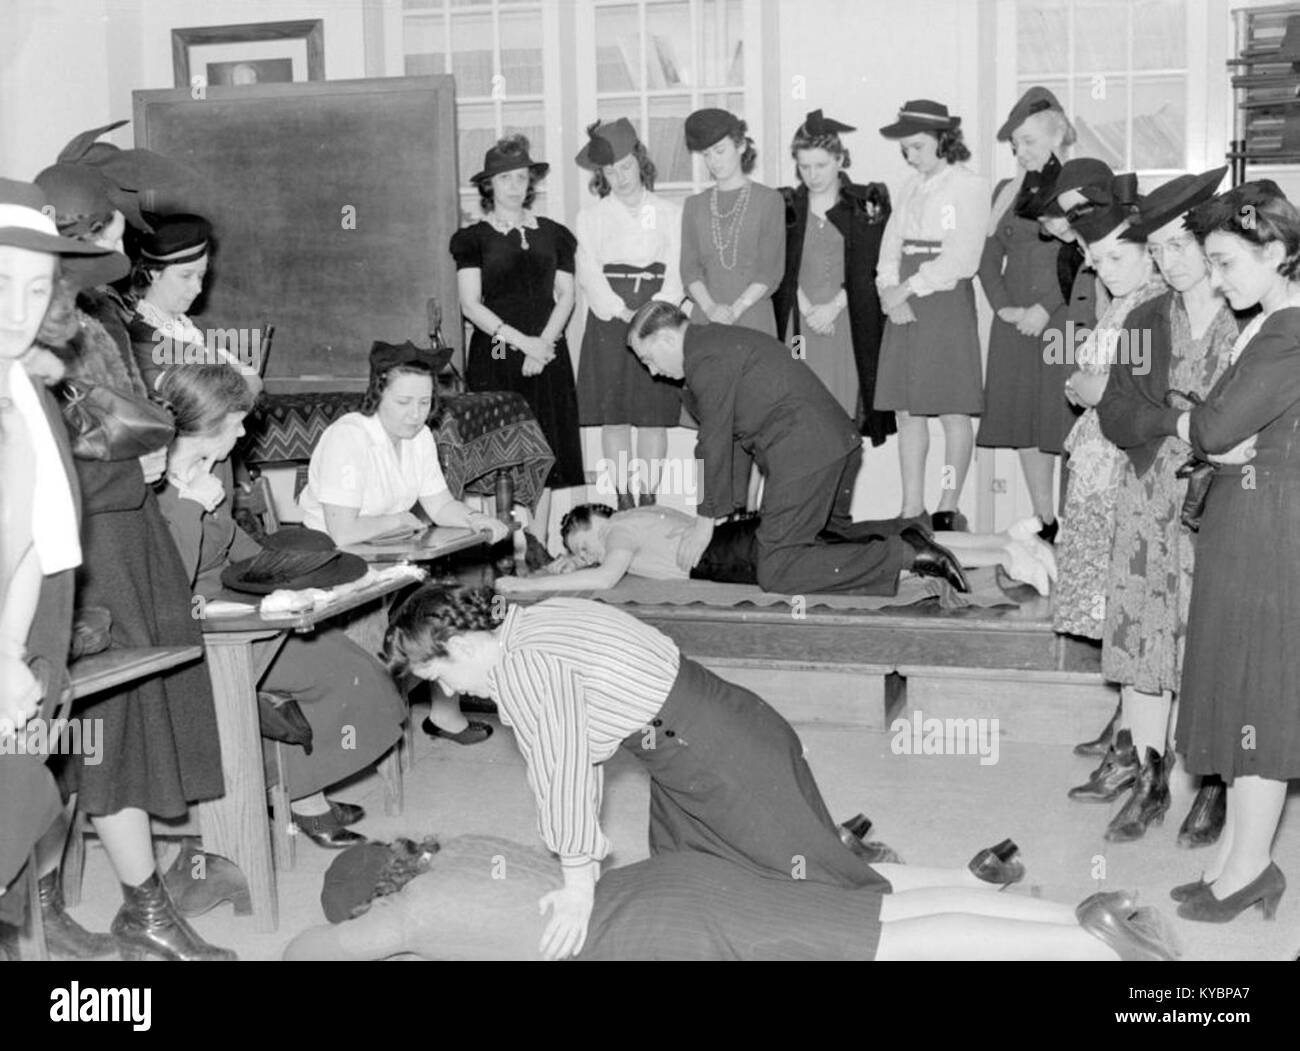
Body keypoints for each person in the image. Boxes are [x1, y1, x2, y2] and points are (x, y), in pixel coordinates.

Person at [381, 586, 1137, 961]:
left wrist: (578, 883)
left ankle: (1080, 938)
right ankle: (982, 883)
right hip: (707, 736)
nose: (447, 694)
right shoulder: (536, 616)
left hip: (714, 757)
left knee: (835, 916)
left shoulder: (522, 669)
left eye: (435, 674)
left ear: (457, 643)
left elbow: (565, 777)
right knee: (749, 888)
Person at [0, 177, 235, 962]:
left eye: (39, 287)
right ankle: (53, 910)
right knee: (81, 742)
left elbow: (42, 523)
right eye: (103, 231)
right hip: (105, 550)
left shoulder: (56, 351)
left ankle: (112, 908)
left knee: (92, 739)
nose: (117, 247)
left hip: (104, 559)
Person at [155, 363, 407, 851]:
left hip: (234, 605)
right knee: (337, 674)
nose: (244, 431)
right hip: (195, 628)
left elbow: (233, 548)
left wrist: (297, 574)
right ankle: (299, 797)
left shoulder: (212, 467)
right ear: (210, 426)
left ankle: (297, 785)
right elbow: (169, 582)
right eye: (236, 422)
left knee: (354, 663)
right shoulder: (154, 480)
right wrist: (189, 506)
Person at [284, 832, 1179, 962]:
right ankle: (1083, 918)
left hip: (668, 921)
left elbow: (304, 957)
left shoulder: (417, 909)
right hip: (668, 879)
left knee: (880, 948)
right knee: (873, 915)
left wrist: (361, 933)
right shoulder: (467, 849)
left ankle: (1093, 946)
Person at [1072, 168, 1238, 847]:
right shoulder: (1144, 318)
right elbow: (1114, 410)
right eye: (1159, 249)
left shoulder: (1246, 319)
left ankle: (1214, 783)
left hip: (1218, 506)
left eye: (1181, 245)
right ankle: (1148, 778)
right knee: (1144, 646)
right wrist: (1171, 425)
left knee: (1208, 644)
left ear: (1209, 242)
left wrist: (1198, 429)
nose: (1170, 261)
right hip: (1144, 499)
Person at [626, 300, 969, 596]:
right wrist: (736, 509)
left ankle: (909, 554)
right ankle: (911, 535)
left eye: (648, 359)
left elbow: (712, 444)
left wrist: (703, 525)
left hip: (805, 451)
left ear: (668, 338)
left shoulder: (704, 358)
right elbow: (733, 442)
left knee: (777, 569)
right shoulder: (715, 343)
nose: (652, 371)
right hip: (833, 443)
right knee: (831, 536)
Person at [1168, 180, 1300, 922]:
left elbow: (1212, 428)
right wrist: (1209, 427)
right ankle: (1232, 860)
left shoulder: (1289, 330)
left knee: (1261, 693)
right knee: (1244, 684)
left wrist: (1198, 427)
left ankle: (1249, 867)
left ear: (1276, 253)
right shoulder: (1269, 326)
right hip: (1249, 517)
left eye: (1225, 264)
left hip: (1270, 526)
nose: (1216, 282)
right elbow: (1216, 424)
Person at [298, 338, 508, 744]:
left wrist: (477, 519)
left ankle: (445, 714)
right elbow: (343, 531)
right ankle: (366, 729)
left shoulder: (420, 438)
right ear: (378, 393)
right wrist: (397, 518)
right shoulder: (349, 437)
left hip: (387, 555)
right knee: (409, 608)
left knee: (443, 601)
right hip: (330, 560)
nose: (416, 415)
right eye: (404, 402)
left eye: (425, 403)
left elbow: (442, 503)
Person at [450, 135, 583, 549]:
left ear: (531, 183)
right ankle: (504, 545)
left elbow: (567, 296)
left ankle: (538, 544)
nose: (514, 185)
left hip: (548, 353)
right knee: (501, 452)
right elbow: (470, 304)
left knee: (544, 447)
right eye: (504, 178)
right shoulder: (473, 238)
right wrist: (522, 343)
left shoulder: (555, 234)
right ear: (489, 185)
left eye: (521, 177)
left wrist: (543, 343)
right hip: (497, 353)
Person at [494, 502, 1056, 598]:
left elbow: (603, 580)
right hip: (746, 530)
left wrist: (529, 583)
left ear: (599, 521)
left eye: (584, 542)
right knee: (872, 536)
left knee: (872, 553)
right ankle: (1004, 544)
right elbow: (595, 567)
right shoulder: (647, 515)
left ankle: (1003, 549)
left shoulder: (618, 528)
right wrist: (563, 561)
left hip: (731, 553)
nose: (590, 553)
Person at [1051, 175, 1167, 640]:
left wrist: (1085, 384)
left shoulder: (1149, 304)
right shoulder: (1120, 303)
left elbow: (1120, 386)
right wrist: (1082, 384)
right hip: (1096, 457)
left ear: (1148, 254)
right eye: (1098, 261)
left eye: (1118, 258)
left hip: (1118, 461)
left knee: (1116, 606)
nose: (1107, 270)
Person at [874, 100, 989, 531]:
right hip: (903, 302)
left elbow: (962, 258)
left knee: (951, 411)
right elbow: (890, 248)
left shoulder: (967, 186)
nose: (911, 156)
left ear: (944, 140)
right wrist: (889, 291)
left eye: (918, 147)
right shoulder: (909, 186)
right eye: (905, 149)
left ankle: (946, 504)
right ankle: (910, 507)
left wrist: (908, 287)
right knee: (908, 411)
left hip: (942, 303)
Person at [977, 88, 1077, 540]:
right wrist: (1005, 310)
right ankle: (1047, 523)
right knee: (1026, 424)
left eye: (1028, 141)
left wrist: (1044, 308)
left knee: (1063, 423)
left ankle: (1075, 523)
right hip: (1015, 325)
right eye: (1015, 144)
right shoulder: (1006, 191)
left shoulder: (1081, 185)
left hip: (1063, 321)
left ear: (1057, 136)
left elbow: (1084, 261)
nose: (1020, 152)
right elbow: (987, 258)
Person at [572, 118, 684, 509]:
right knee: (614, 416)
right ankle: (624, 500)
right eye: (609, 171)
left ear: (640, 161)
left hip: (656, 319)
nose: (619, 178)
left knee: (652, 415)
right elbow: (588, 273)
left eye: (625, 167)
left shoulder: (669, 213)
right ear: (600, 175)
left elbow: (676, 267)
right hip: (610, 324)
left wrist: (655, 311)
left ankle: (649, 501)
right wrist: (620, 311)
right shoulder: (592, 218)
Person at [774, 110, 894, 441]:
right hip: (799, 326)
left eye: (821, 166)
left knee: (840, 420)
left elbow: (874, 264)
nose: (812, 175)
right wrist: (809, 308)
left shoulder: (864, 203)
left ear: (840, 159)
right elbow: (780, 265)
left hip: (845, 322)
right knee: (797, 416)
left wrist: (833, 306)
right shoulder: (786, 205)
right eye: (804, 166)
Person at [125, 212, 262, 396]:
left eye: (200, 276)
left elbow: (255, 382)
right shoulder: (139, 337)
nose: (197, 288)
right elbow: (199, 403)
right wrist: (225, 363)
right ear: (154, 273)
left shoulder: (199, 328)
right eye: (186, 276)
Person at [680, 108, 785, 336]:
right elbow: (689, 270)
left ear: (740, 146)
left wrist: (734, 311)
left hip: (753, 316)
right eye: (706, 154)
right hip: (706, 319)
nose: (713, 161)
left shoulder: (770, 200)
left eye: (719, 151)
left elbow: (769, 271)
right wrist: (710, 308)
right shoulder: (693, 205)